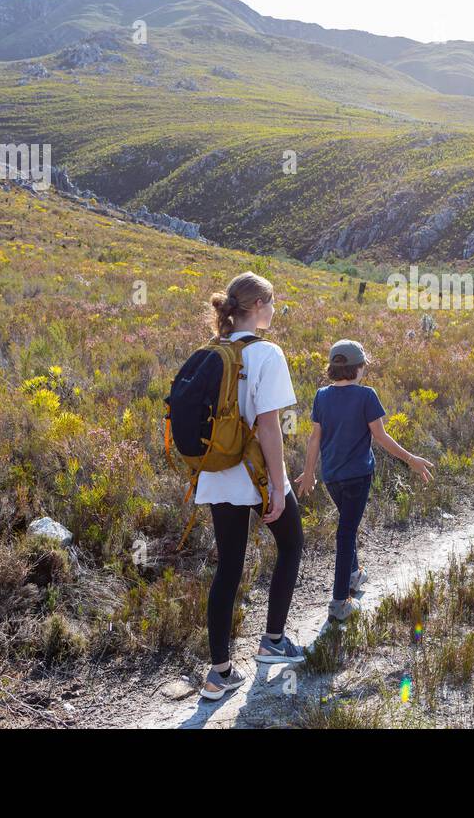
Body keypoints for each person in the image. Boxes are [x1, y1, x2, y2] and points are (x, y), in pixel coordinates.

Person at [197, 272, 306, 702]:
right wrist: (278, 487)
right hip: (254, 474)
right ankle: (272, 641)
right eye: (273, 303)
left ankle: (219, 672)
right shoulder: (267, 353)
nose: (275, 311)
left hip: (216, 470)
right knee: (292, 543)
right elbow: (269, 428)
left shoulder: (210, 351)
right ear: (258, 305)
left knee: (228, 567)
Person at [294, 339, 435, 621]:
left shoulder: (321, 395)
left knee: (347, 524)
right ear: (358, 369)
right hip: (358, 477)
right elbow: (381, 437)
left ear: (332, 368)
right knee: (346, 533)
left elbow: (314, 439)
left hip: (331, 476)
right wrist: (412, 460)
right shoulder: (366, 396)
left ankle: (354, 576)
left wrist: (309, 473)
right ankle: (338, 603)